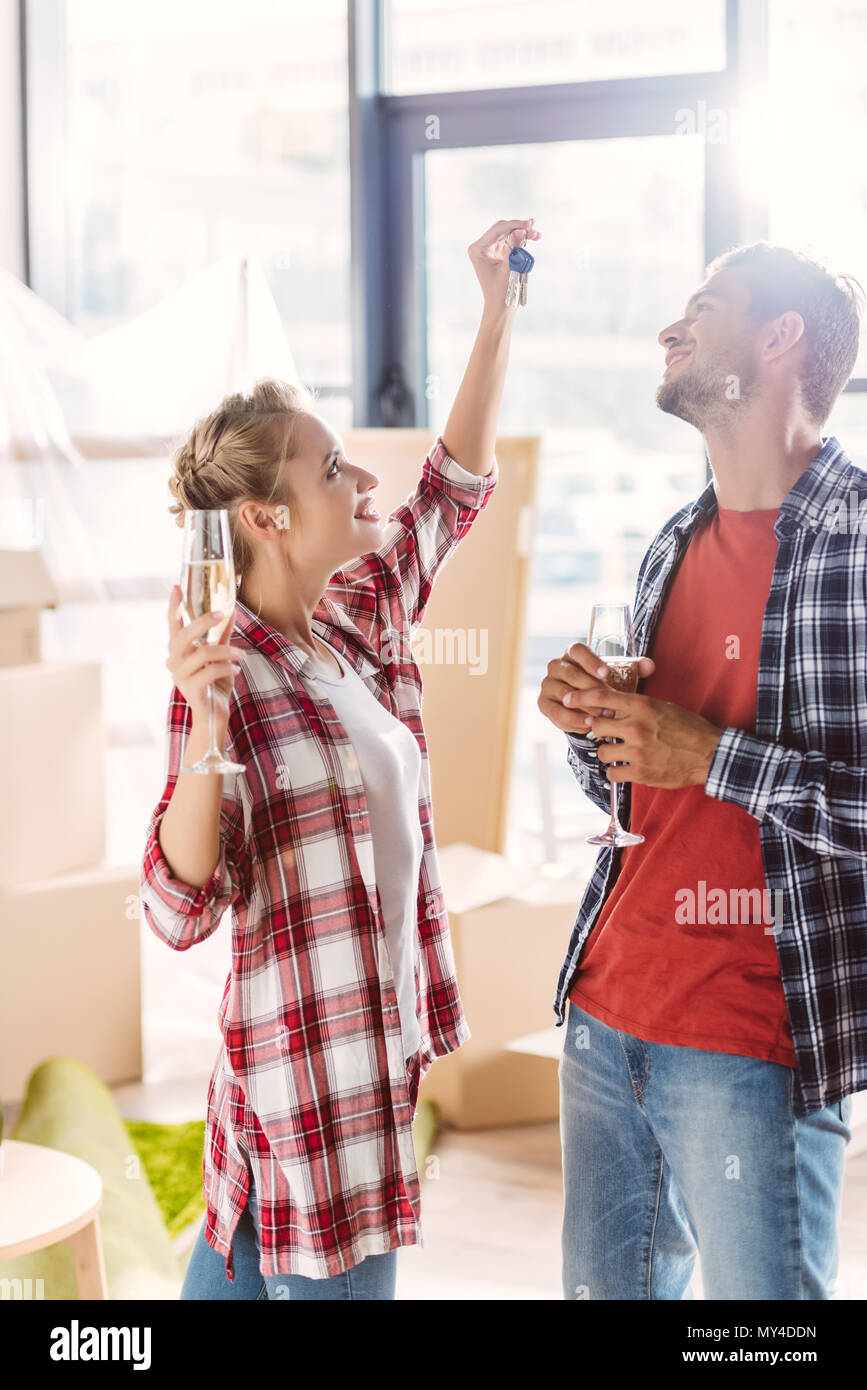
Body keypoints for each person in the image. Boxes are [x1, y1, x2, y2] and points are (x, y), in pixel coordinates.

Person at [139, 217, 541, 1301]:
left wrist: (498, 310)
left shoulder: (355, 619)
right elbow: (178, 906)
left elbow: (450, 487)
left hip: (366, 1076)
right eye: (331, 466)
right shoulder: (226, 671)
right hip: (306, 1106)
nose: (364, 473)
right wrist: (208, 733)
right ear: (267, 515)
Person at [539, 242, 865, 1300]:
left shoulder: (858, 548)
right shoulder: (670, 543)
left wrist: (712, 753)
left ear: (782, 340)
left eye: (704, 308)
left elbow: (730, 770)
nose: (670, 330)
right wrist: (597, 729)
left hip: (752, 1043)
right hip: (603, 1014)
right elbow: (644, 791)